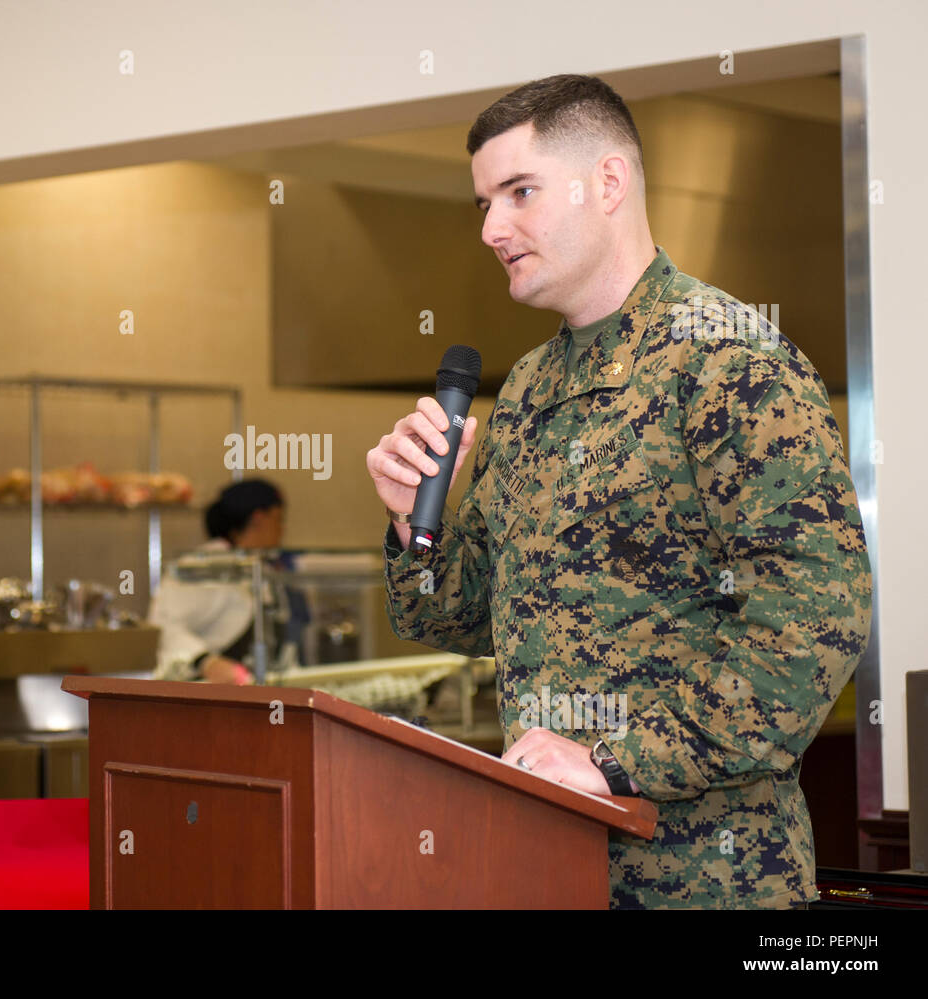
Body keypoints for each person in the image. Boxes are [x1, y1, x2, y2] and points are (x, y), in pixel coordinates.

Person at [365, 74, 871, 909]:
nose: (492, 228)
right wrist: (411, 526)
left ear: (607, 182)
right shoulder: (528, 390)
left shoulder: (727, 362)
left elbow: (814, 623)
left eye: (518, 192)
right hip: (547, 863)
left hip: (706, 878)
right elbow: (455, 616)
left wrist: (611, 761)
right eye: (483, 203)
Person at [149, 479, 287, 684]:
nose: (281, 529)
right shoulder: (205, 567)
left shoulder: (256, 565)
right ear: (259, 519)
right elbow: (162, 625)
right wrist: (205, 662)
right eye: (278, 519)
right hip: (206, 692)